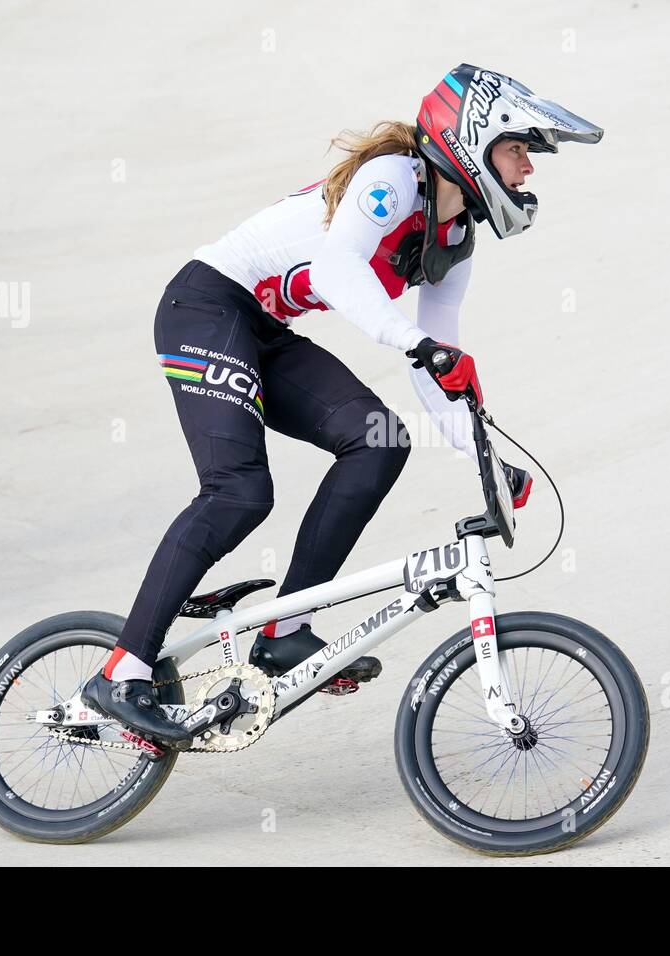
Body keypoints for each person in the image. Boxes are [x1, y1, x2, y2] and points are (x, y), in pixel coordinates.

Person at [83, 64, 603, 742]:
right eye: (518, 149)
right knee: (239, 492)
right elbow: (337, 270)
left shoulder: (452, 241)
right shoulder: (392, 179)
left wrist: (484, 456)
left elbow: (436, 362)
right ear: (471, 141)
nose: (528, 169)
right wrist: (414, 340)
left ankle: (284, 628)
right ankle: (122, 668)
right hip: (205, 306)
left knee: (382, 441)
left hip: (261, 331)